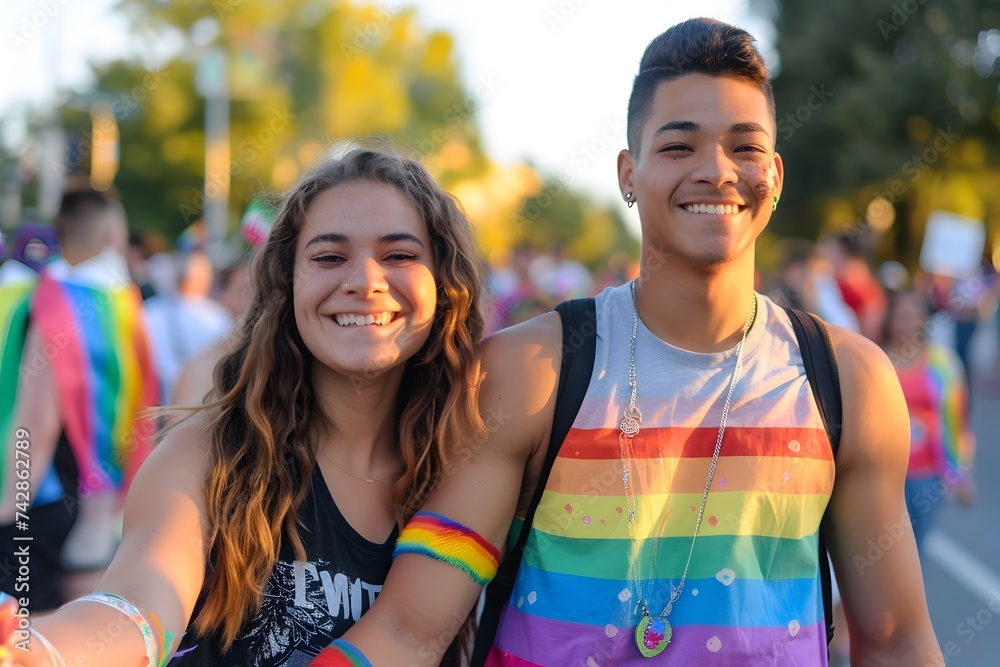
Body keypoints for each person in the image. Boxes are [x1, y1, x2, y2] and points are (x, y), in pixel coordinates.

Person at [315, 18, 942, 667]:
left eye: (744, 148)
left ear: (775, 175)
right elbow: (410, 632)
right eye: (678, 147)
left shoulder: (847, 380)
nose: (716, 172)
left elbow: (897, 642)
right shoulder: (533, 371)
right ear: (628, 174)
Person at [0, 148, 488, 666]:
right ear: (286, 282)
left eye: (399, 255)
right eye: (328, 257)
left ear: (444, 282)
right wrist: (37, 652)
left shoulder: (471, 463)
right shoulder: (210, 456)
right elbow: (139, 607)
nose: (364, 281)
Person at [1, 189, 158, 611]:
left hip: (49, 496)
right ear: (110, 235)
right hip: (62, 498)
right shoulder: (114, 304)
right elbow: (36, 421)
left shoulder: (35, 296)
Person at [881, 288, 976, 550]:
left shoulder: (943, 363)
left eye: (914, 316)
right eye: (900, 315)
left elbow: (957, 421)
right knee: (883, 550)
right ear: (889, 318)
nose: (907, 323)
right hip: (883, 472)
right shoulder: (875, 360)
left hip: (927, 476)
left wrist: (962, 474)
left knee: (915, 548)